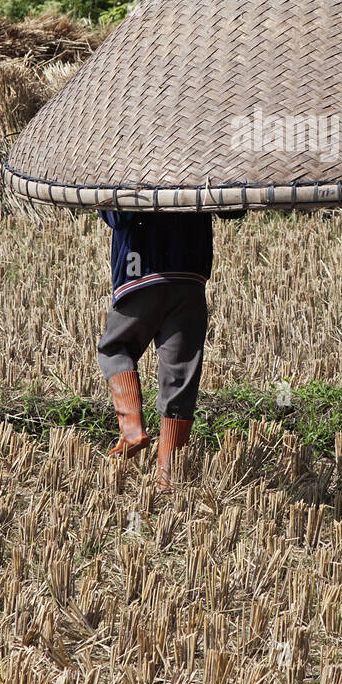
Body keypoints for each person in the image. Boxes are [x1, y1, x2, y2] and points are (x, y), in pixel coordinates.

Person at [96, 208, 214, 491]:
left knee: (116, 347)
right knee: (180, 375)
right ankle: (169, 478)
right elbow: (233, 208)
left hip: (140, 273)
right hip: (190, 275)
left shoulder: (129, 166)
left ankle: (132, 430)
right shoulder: (200, 164)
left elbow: (117, 217)